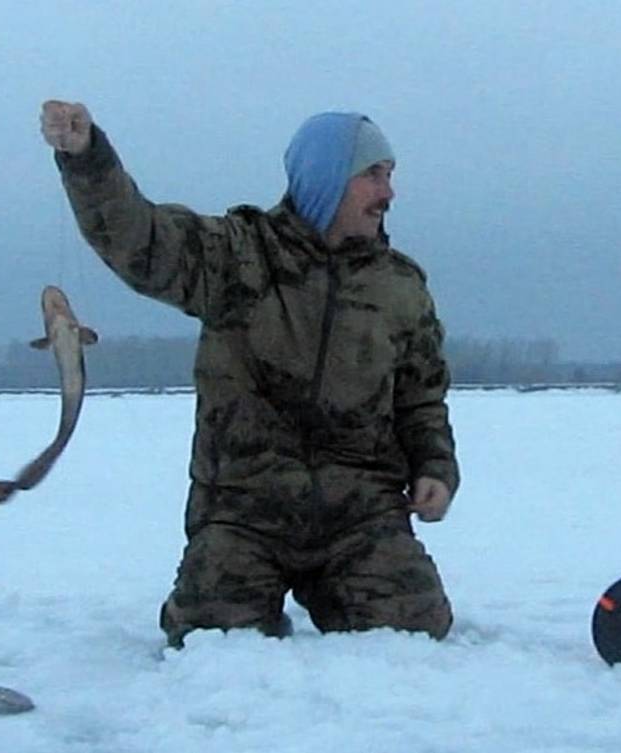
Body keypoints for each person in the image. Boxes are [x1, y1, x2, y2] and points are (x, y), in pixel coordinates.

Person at [40, 100, 460, 647]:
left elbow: (421, 399)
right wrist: (87, 159)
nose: (388, 192)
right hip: (242, 511)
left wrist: (434, 467)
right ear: (327, 178)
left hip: (361, 515)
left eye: (389, 176)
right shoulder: (237, 258)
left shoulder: (400, 287)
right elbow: (140, 239)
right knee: (212, 634)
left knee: (414, 630)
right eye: (372, 175)